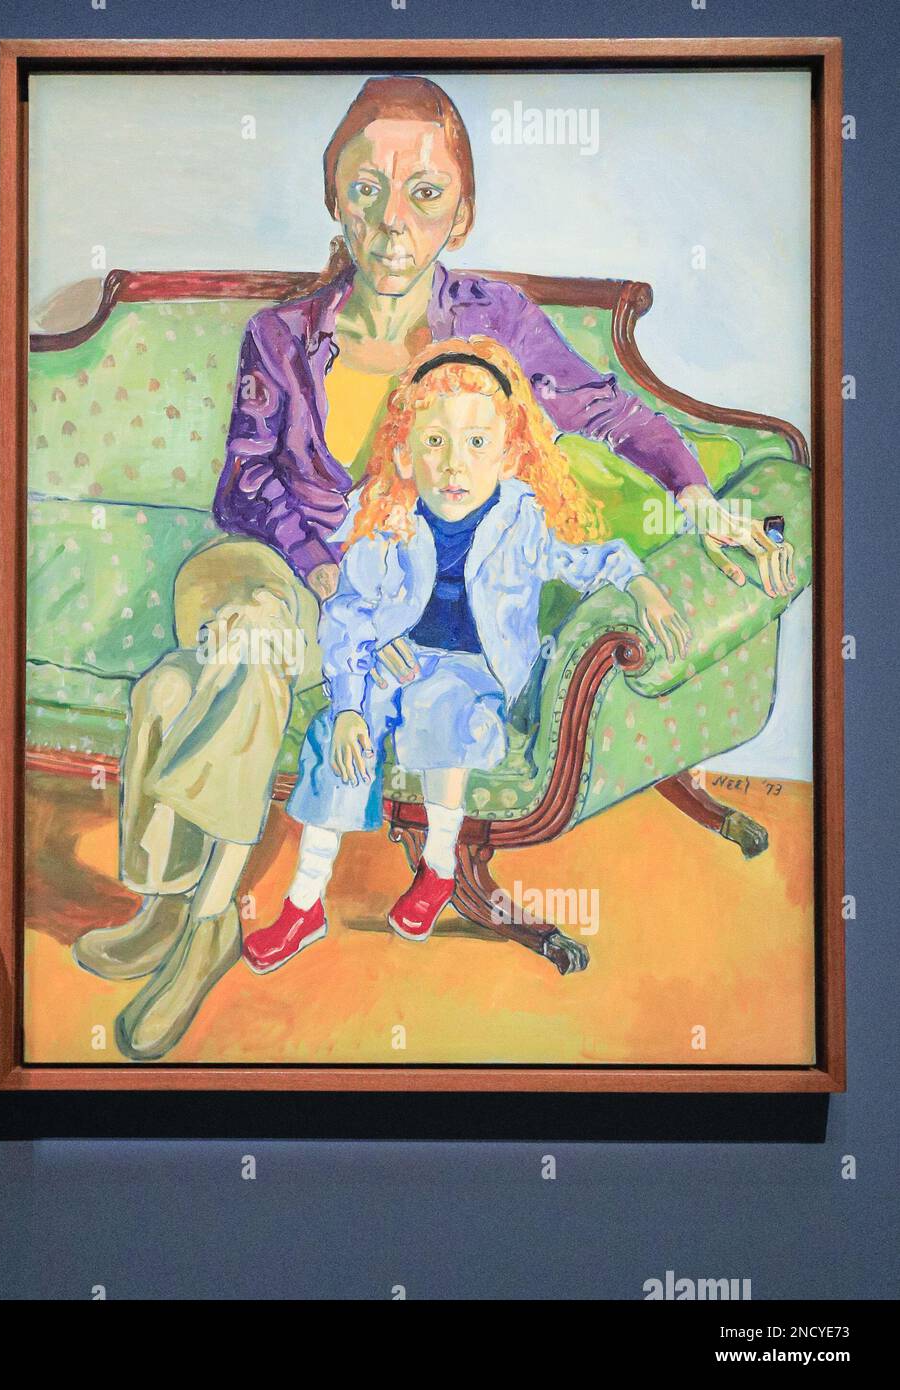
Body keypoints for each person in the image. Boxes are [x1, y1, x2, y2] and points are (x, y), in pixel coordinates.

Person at [75, 73, 794, 1061]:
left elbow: (606, 409)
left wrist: (695, 495)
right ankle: (190, 924)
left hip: (364, 599)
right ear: (335, 198)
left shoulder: (492, 320)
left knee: (201, 679)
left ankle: (185, 914)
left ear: (462, 211)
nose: (390, 220)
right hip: (262, 563)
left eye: (422, 192)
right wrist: (323, 574)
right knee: (252, 626)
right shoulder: (280, 336)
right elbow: (242, 487)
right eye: (364, 189)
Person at [242, 337, 690, 971]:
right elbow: (347, 613)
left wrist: (641, 584)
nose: (455, 465)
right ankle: (304, 903)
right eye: (435, 443)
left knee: (441, 706)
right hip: (388, 658)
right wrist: (358, 682)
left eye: (477, 444)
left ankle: (439, 868)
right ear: (402, 453)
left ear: (508, 455)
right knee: (336, 735)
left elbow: (587, 560)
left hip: (473, 670)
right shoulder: (385, 519)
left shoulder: (523, 522)